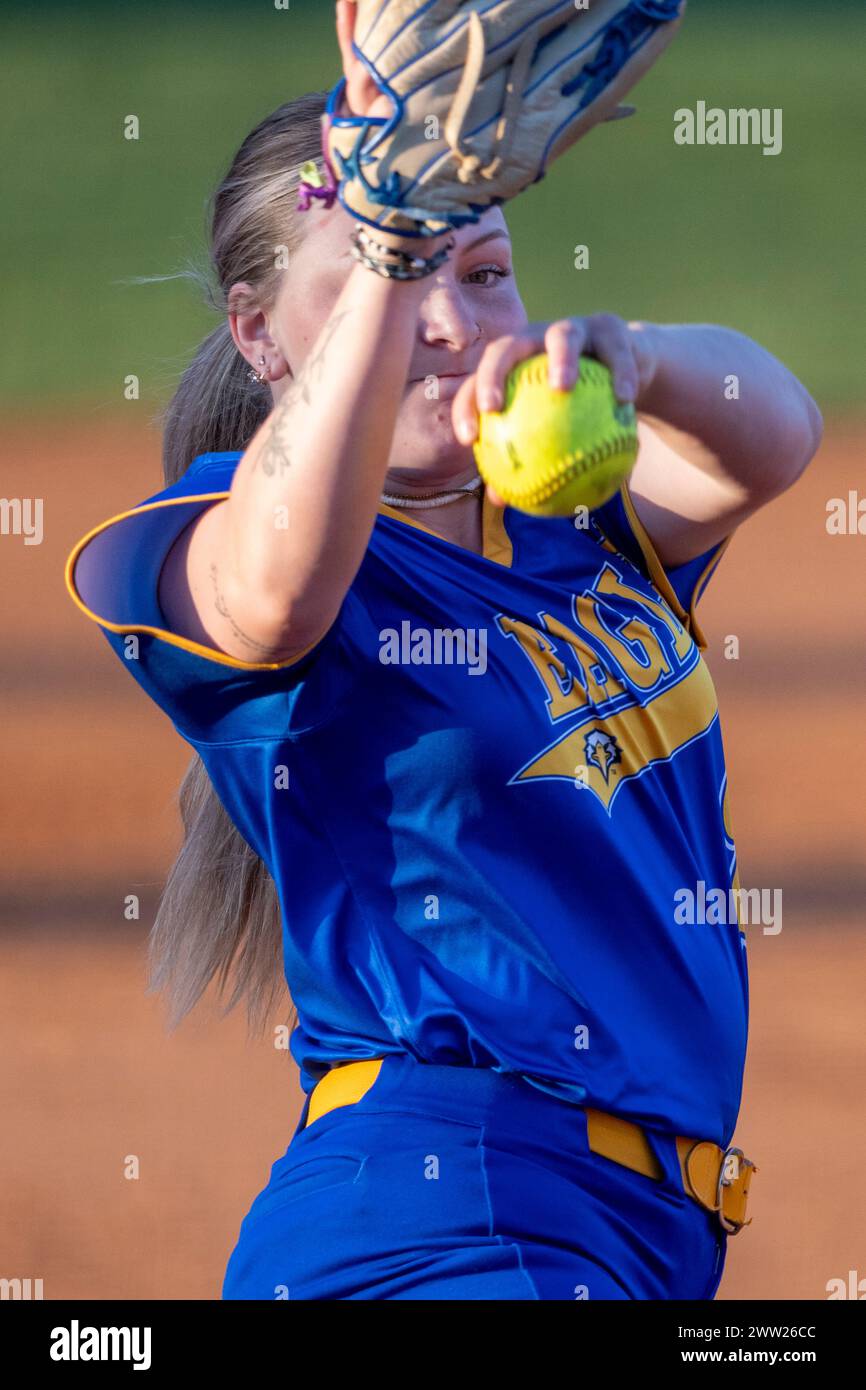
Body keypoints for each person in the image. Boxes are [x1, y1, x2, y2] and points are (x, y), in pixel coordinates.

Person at [66, 3, 822, 1299]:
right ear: (259, 334)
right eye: (392, 281)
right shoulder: (203, 532)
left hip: (625, 1238)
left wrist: (640, 361)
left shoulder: (579, 530)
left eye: (481, 274)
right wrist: (390, 238)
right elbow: (273, 595)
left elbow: (775, 434)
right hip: (444, 1222)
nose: (444, 320)